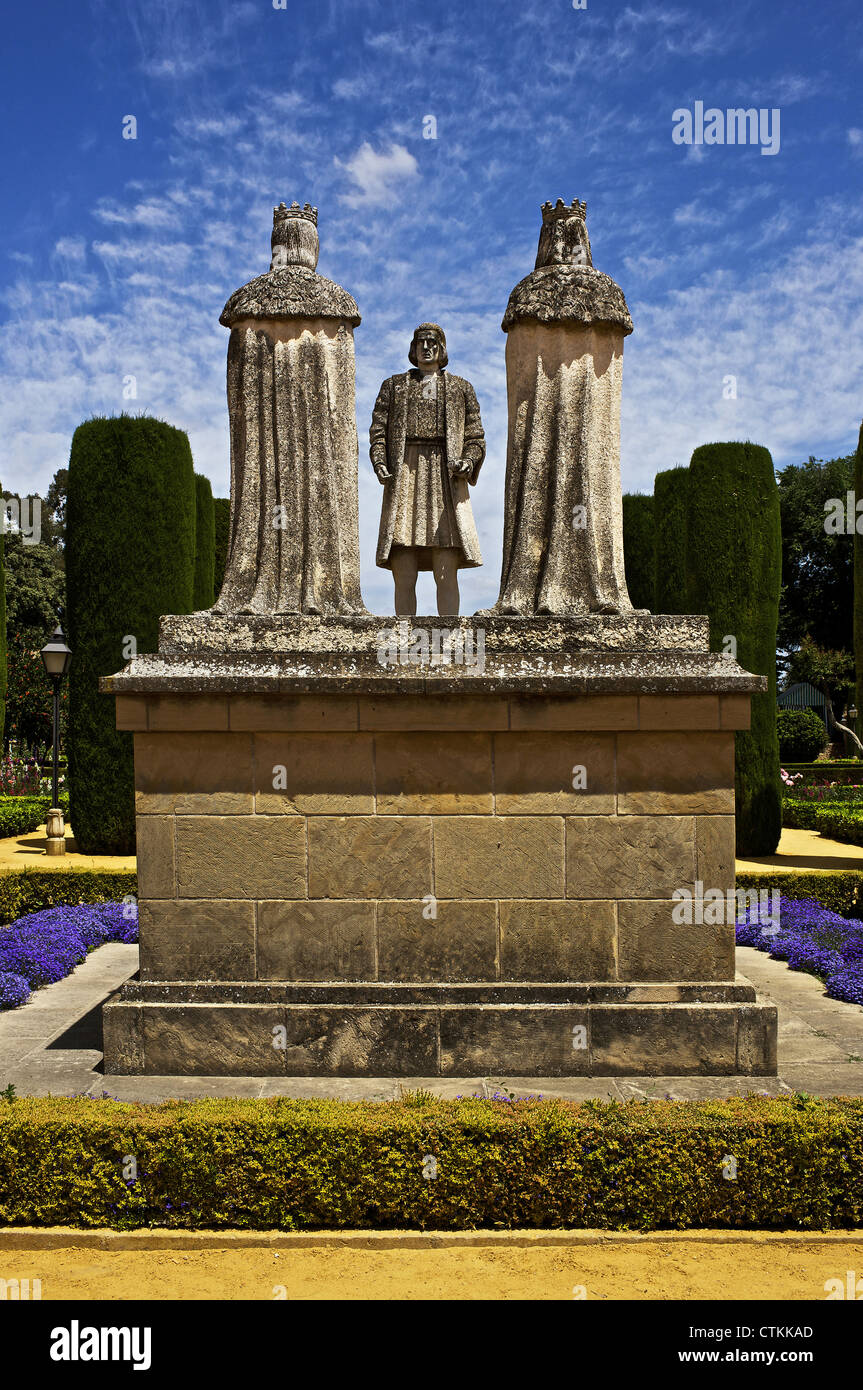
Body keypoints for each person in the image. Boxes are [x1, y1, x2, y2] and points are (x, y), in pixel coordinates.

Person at [370, 322, 485, 616]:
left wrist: (468, 462)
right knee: (403, 562)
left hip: (445, 478)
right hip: (405, 473)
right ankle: (404, 632)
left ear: (442, 349)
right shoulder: (393, 386)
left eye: (432, 342)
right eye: (420, 342)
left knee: (445, 566)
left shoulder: (461, 388)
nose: (426, 348)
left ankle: (449, 634)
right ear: (412, 348)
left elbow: (475, 437)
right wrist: (380, 461)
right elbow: (378, 431)